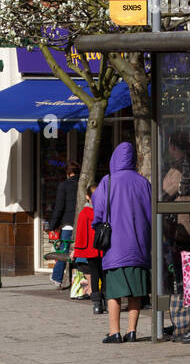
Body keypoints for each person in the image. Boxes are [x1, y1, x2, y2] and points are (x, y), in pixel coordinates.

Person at [92, 141, 152, 343]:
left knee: (114, 292)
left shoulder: (107, 182)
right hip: (138, 245)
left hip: (115, 247)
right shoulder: (143, 182)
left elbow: (97, 212)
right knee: (136, 291)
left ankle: (114, 332)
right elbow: (152, 215)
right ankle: (132, 330)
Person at [72, 185, 106, 314]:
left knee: (95, 273)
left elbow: (80, 234)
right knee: (104, 275)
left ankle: (97, 304)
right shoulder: (105, 211)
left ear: (87, 197)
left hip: (90, 249)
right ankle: (107, 301)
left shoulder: (84, 213)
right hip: (103, 248)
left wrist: (77, 249)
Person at [48, 162, 79, 288]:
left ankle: (57, 277)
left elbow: (59, 207)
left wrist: (53, 225)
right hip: (80, 223)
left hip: (67, 224)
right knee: (79, 251)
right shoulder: (83, 184)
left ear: (68, 172)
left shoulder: (64, 185)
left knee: (64, 251)